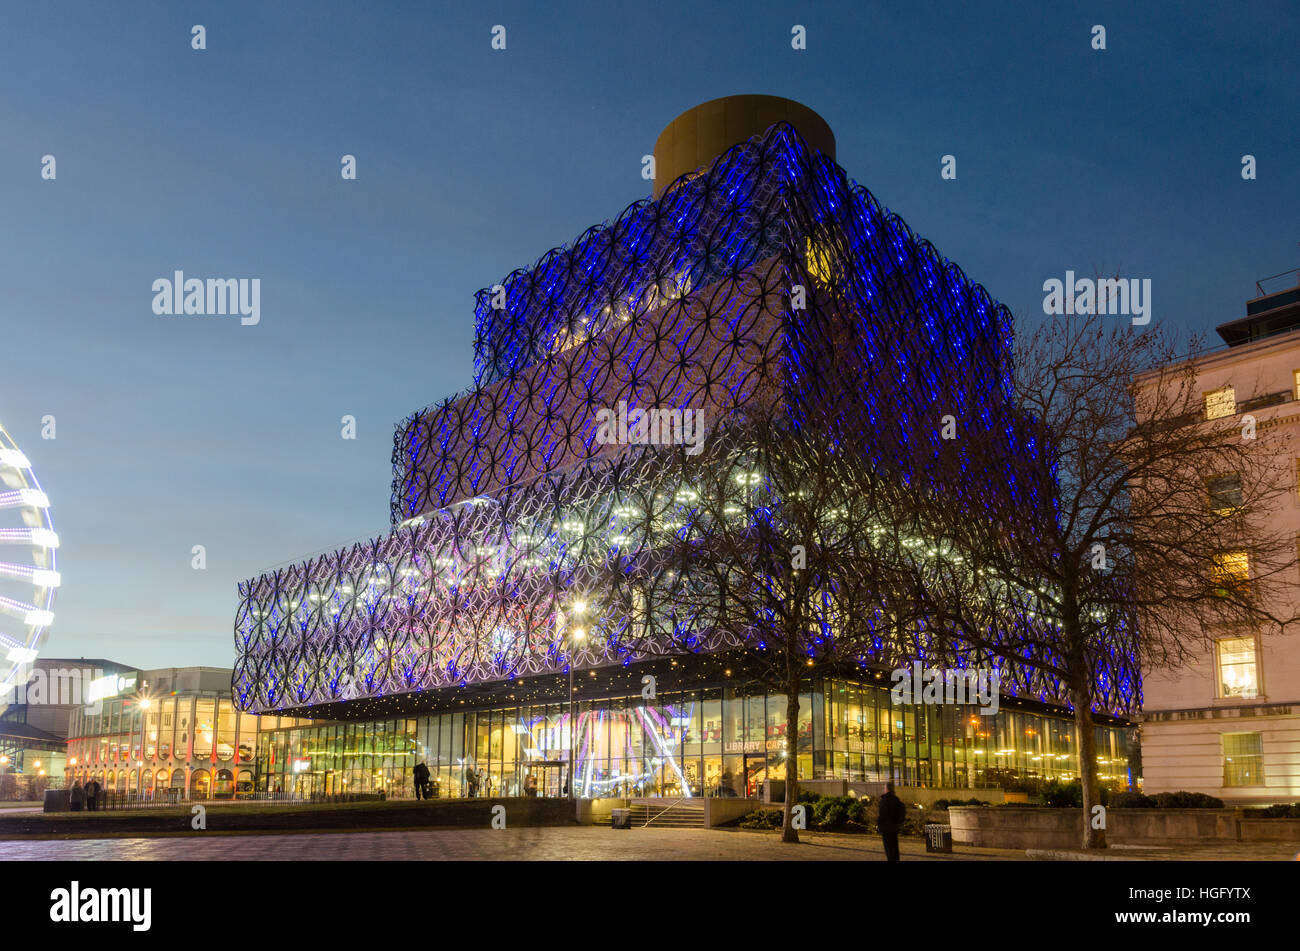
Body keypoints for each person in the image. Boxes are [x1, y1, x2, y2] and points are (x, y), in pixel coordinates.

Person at [877, 782, 906, 862]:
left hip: (886, 829)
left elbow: (881, 815)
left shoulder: (884, 801)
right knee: (894, 849)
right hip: (894, 828)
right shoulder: (896, 800)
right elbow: (901, 812)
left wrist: (878, 825)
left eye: (884, 788)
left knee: (889, 850)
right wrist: (898, 822)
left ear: (886, 789)